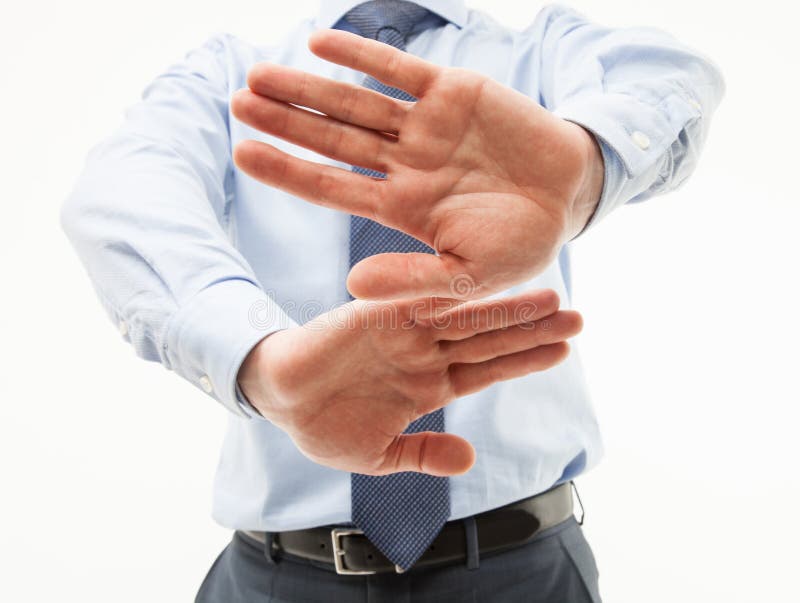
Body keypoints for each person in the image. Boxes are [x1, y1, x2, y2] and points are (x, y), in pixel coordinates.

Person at [60, 0, 724, 601]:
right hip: (275, 580)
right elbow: (122, 194)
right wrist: (260, 358)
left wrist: (585, 167)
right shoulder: (230, 73)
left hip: (523, 574)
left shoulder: (541, 50)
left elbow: (668, 76)